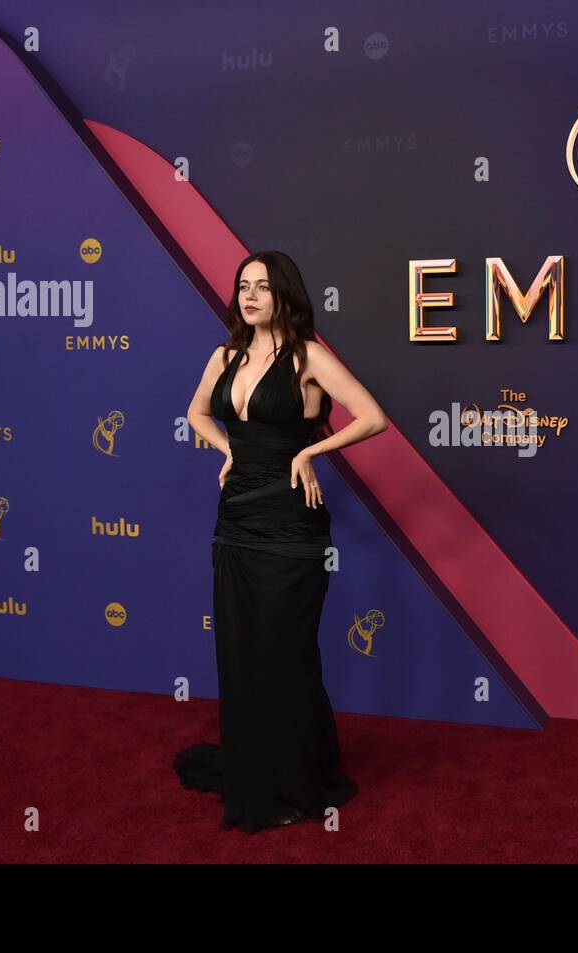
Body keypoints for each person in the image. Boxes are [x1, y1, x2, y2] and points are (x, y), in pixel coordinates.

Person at [174, 250, 388, 832]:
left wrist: (309, 451)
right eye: (243, 285)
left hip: (292, 523)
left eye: (263, 287)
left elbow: (371, 417)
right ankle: (256, 772)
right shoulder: (225, 355)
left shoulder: (308, 357)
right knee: (242, 654)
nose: (250, 296)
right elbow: (197, 413)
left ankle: (300, 780)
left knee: (287, 656)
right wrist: (227, 451)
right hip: (236, 518)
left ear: (283, 295)